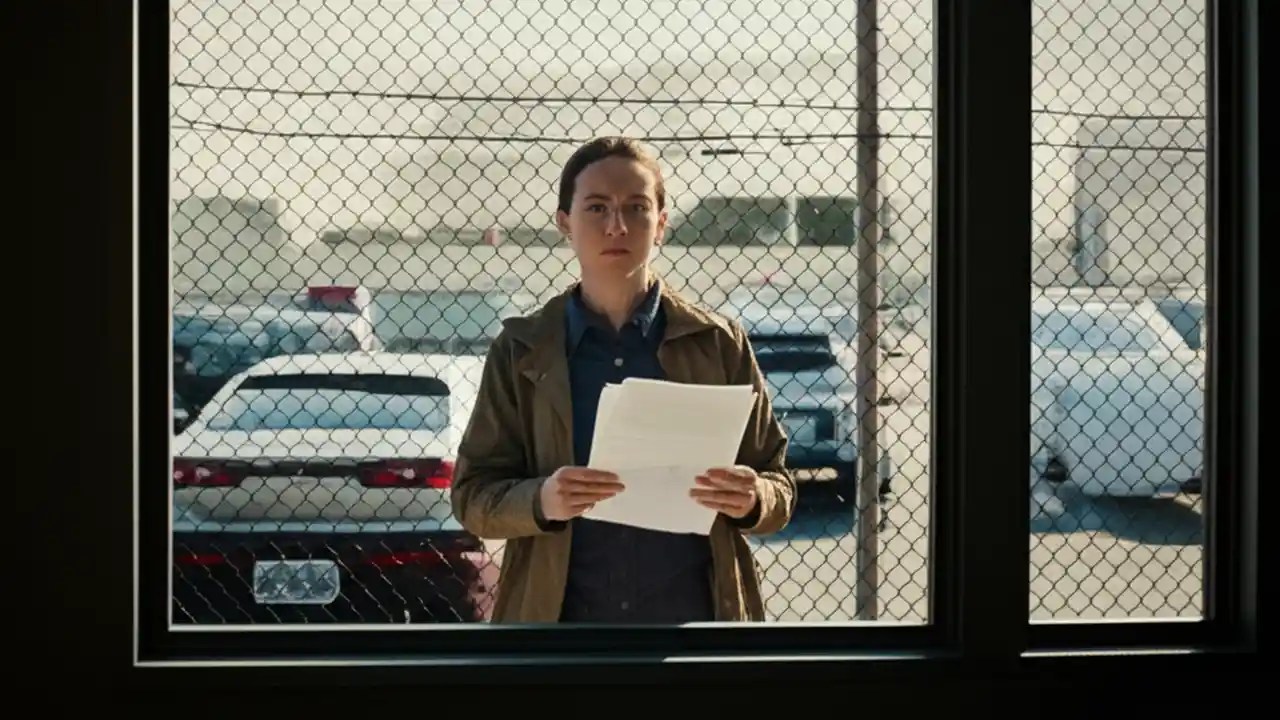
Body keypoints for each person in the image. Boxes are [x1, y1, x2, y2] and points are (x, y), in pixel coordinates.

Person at [451, 136, 795, 624]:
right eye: (597, 208)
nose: (616, 225)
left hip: (694, 632)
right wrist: (542, 499)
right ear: (564, 223)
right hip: (562, 631)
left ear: (661, 224)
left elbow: (779, 485)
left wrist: (753, 498)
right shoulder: (522, 351)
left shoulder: (718, 344)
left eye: (636, 207)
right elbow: (472, 497)